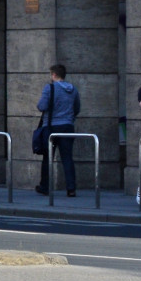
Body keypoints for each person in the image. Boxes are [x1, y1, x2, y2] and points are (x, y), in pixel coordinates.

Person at [36, 63, 81, 197]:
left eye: (51, 74)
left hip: (51, 126)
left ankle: (45, 187)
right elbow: (77, 108)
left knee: (47, 157)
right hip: (67, 126)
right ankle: (71, 188)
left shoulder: (49, 88)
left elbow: (42, 106)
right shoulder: (73, 89)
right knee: (67, 158)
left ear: (54, 75)